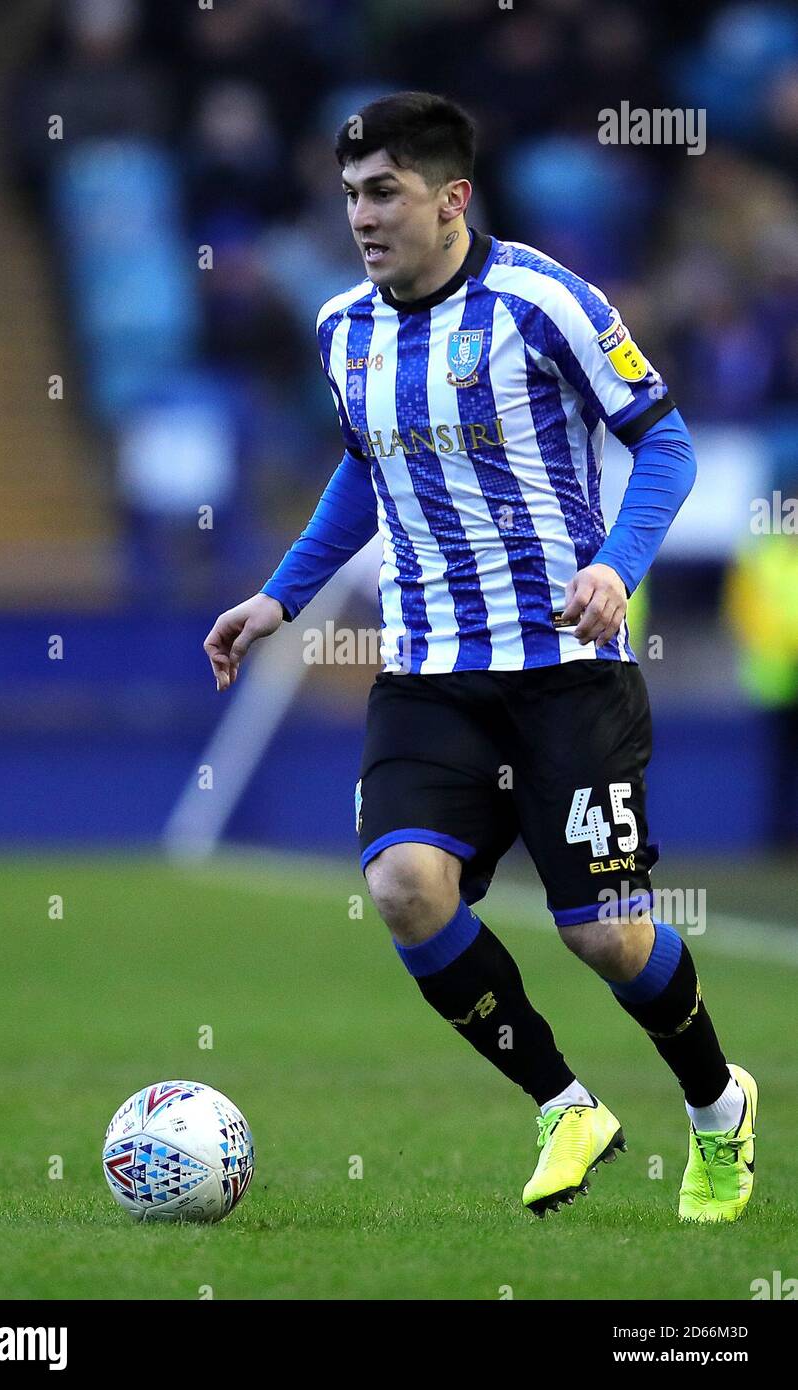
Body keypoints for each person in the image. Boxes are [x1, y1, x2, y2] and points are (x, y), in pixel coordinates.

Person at [204, 92, 756, 1221]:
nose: (362, 215)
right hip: (428, 673)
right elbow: (366, 468)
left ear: (451, 199)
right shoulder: (340, 329)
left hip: (566, 667)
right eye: (351, 193)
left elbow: (665, 441)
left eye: (385, 193)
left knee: (604, 931)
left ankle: (716, 1106)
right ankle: (565, 1104)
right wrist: (279, 596)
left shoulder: (546, 301)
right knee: (405, 889)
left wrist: (616, 564)